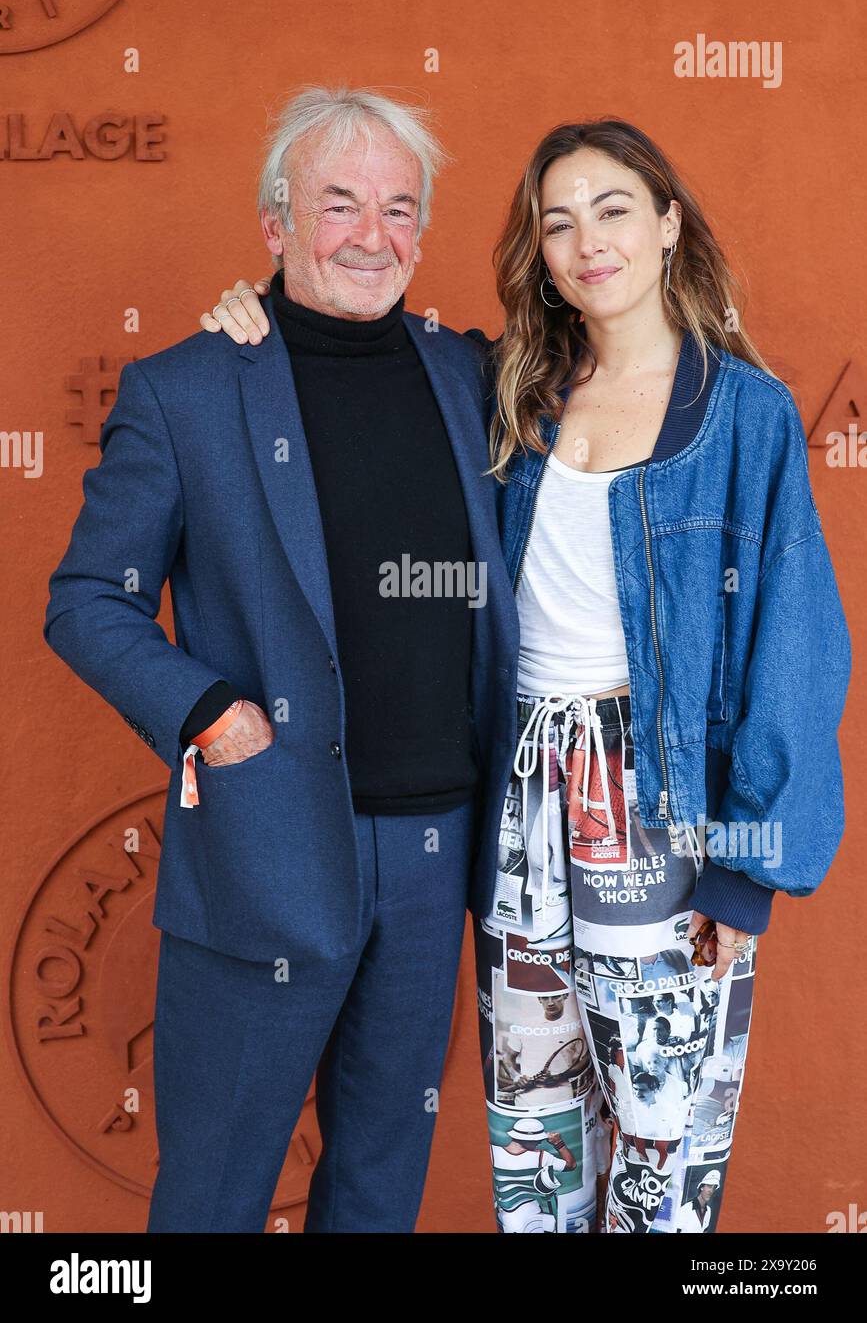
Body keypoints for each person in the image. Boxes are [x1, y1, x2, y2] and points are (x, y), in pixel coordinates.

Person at [201, 114, 851, 1234]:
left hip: (656, 805)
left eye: (612, 210)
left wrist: (753, 867)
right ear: (539, 253)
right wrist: (255, 313)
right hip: (518, 798)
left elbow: (794, 643)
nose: (586, 242)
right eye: (557, 222)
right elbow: (362, 356)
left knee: (660, 1130)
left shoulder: (747, 414)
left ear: (666, 225)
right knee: (536, 1133)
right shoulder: (511, 390)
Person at [42, 87, 521, 1233]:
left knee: (378, 1179)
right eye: (339, 204)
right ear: (275, 226)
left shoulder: (468, 376)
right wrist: (209, 709)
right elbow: (83, 602)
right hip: (266, 835)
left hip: (433, 850)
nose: (372, 235)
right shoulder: (189, 388)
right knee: (213, 1191)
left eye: (398, 209)